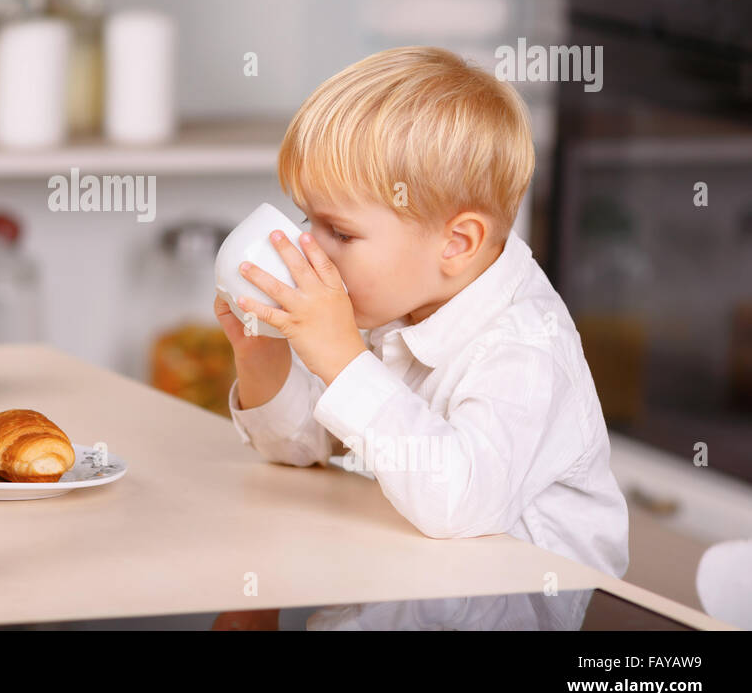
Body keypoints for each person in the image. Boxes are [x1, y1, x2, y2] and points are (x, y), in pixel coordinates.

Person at [216, 46, 629, 580]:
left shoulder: (524, 349)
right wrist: (262, 358)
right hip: (415, 584)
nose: (309, 249)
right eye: (306, 219)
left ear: (456, 243)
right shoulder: (397, 302)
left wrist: (342, 360)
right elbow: (302, 447)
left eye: (339, 232)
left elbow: (456, 502)